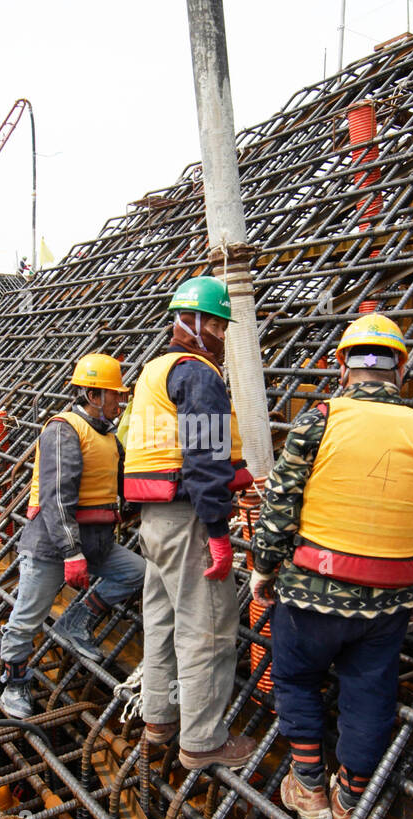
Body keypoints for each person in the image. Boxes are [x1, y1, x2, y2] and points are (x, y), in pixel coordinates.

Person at [251, 314, 413, 819]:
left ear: (341, 366)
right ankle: (350, 798)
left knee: (296, 677)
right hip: (388, 602)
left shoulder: (319, 419)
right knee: (371, 691)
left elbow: (280, 503)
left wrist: (263, 567)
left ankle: (310, 784)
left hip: (311, 593)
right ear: (402, 369)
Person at [124, 275, 257, 771]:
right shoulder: (198, 374)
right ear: (192, 323)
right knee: (208, 627)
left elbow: (154, 452)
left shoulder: (154, 371)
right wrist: (219, 535)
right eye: (217, 325)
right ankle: (203, 740)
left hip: (154, 519)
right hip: (189, 519)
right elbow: (204, 459)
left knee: (161, 619)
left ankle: (159, 716)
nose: (222, 336)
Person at [0, 353, 146, 718]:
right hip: (53, 547)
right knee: (28, 618)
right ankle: (14, 680)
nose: (120, 401)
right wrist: (71, 553)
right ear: (93, 395)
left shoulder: (109, 436)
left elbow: (121, 482)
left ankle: (74, 623)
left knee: (139, 573)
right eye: (114, 395)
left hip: (96, 543)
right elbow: (56, 497)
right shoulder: (63, 430)